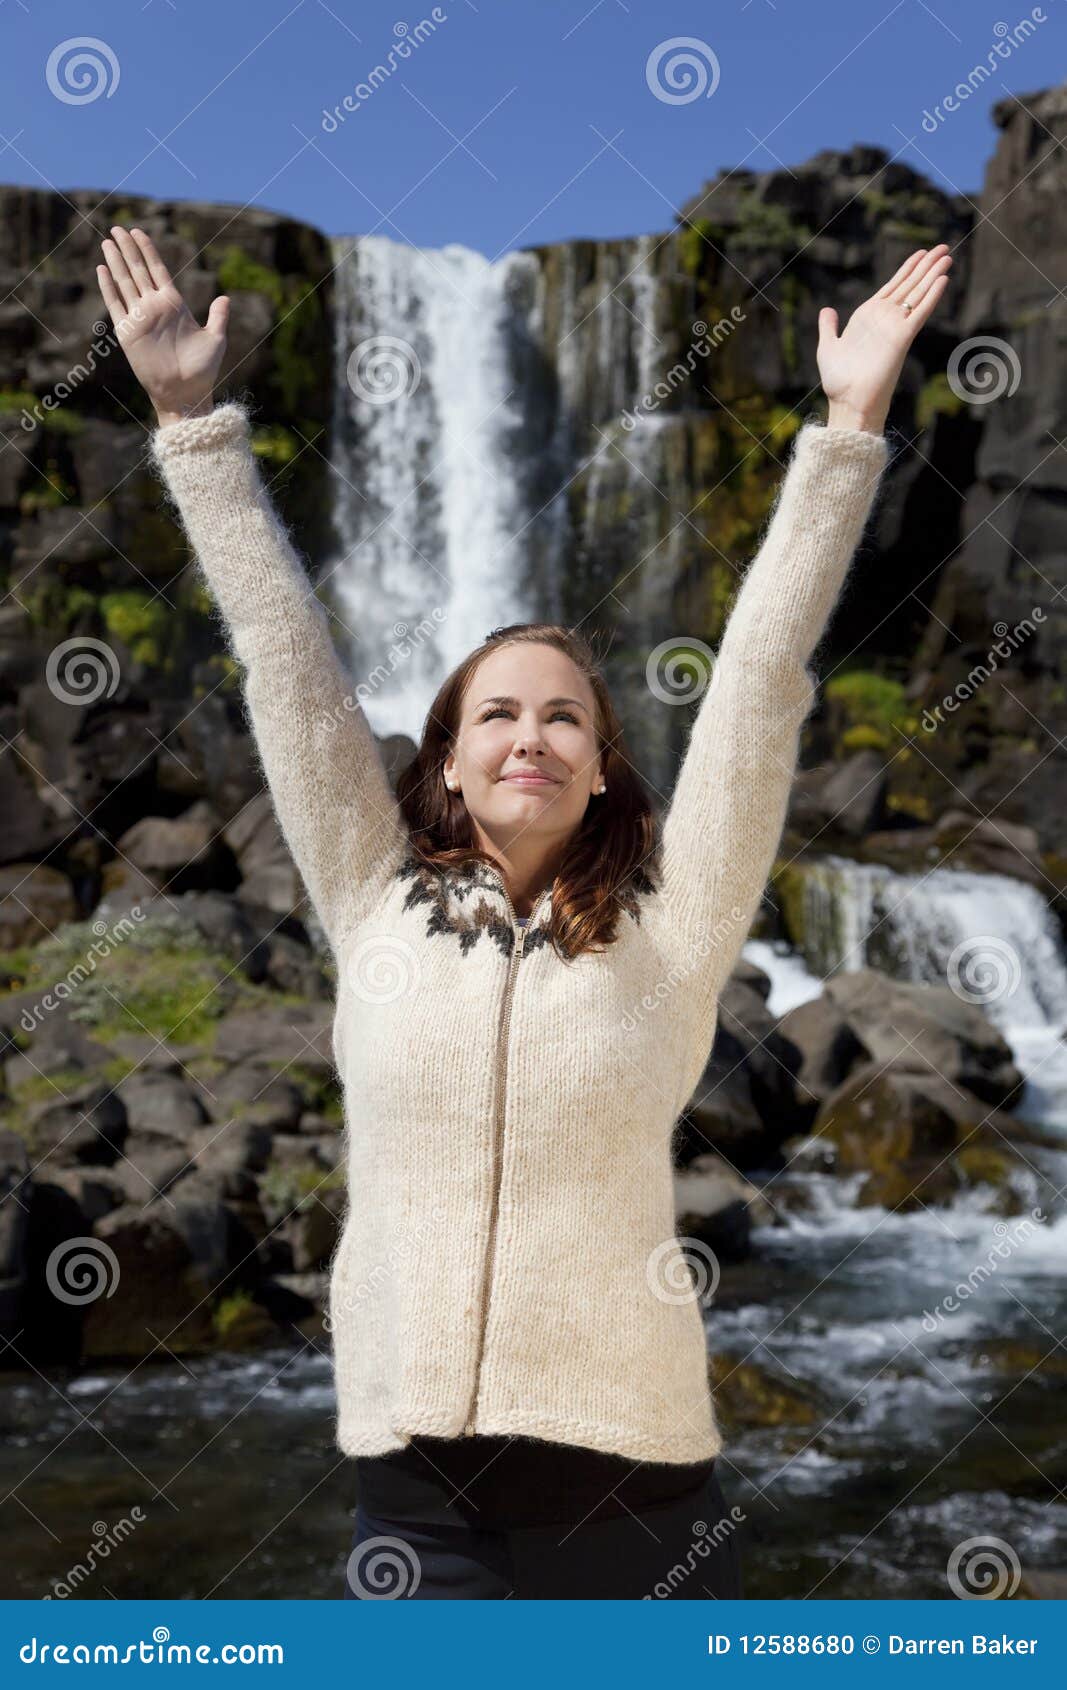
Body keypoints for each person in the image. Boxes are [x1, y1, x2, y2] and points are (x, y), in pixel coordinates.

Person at [96, 227, 952, 1600]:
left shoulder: (670, 937)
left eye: (567, 715)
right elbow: (289, 668)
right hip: (417, 1486)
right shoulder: (370, 902)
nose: (532, 735)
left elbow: (757, 683)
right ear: (443, 757)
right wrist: (190, 424)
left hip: (639, 1489)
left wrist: (848, 426)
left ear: (605, 761)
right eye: (497, 711)